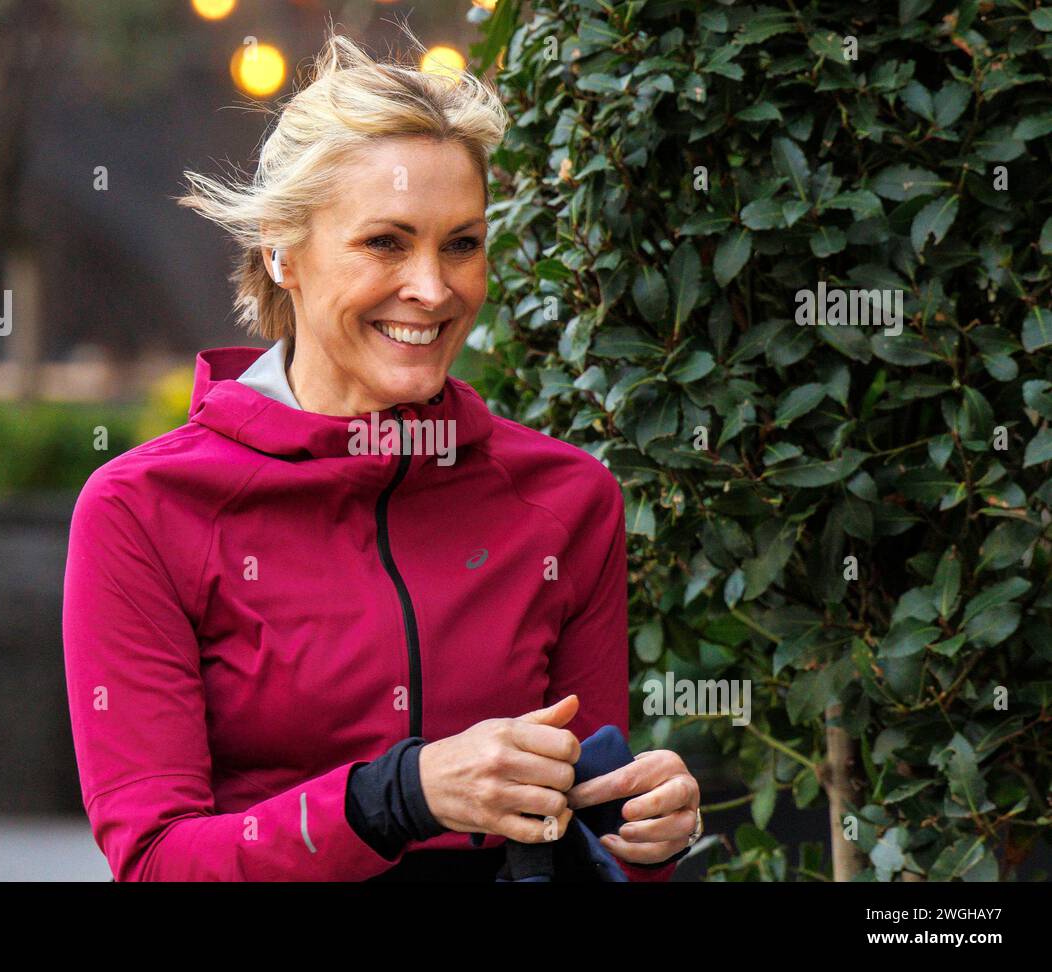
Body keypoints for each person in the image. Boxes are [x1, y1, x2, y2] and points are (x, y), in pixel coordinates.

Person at [62, 28, 701, 882]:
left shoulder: (568, 497)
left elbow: (583, 836)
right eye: (386, 243)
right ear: (282, 251)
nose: (434, 290)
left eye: (462, 244)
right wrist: (399, 796)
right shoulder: (142, 509)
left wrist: (643, 830)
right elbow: (155, 862)